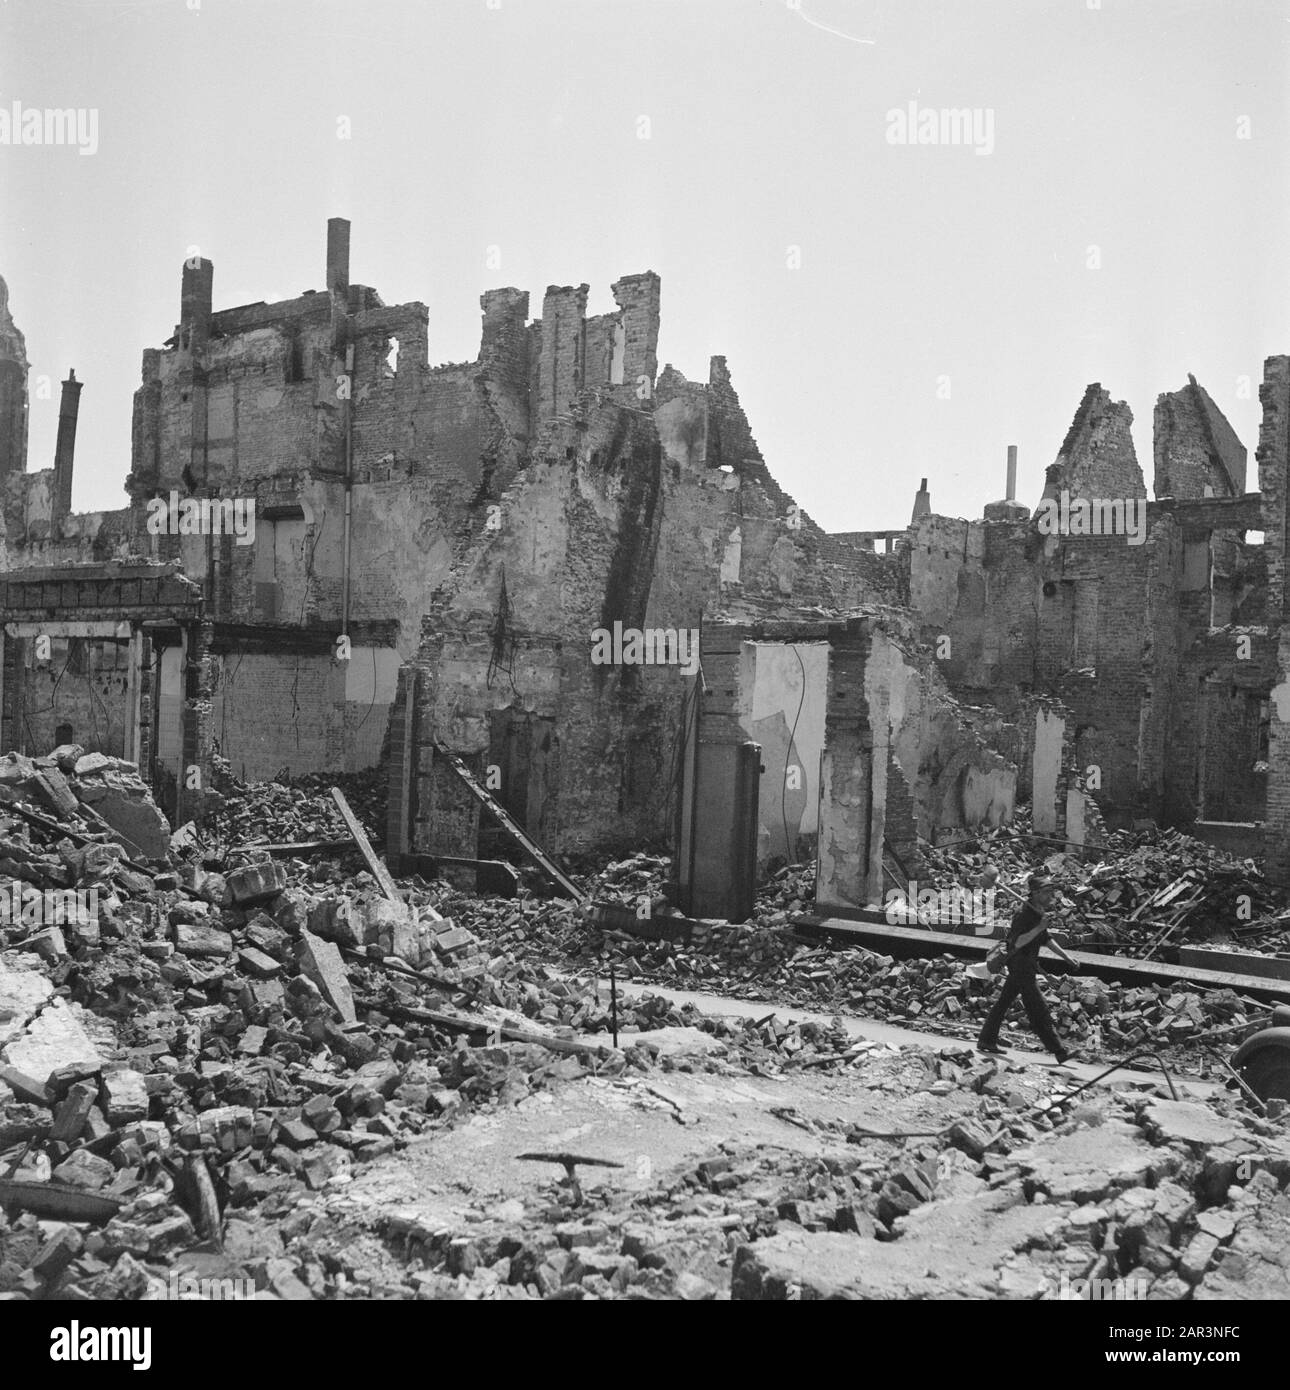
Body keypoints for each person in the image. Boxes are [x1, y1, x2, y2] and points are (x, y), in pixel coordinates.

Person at [977, 871, 1078, 1062]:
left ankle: (986, 1040)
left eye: (1051, 892)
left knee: (1004, 1003)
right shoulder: (1024, 914)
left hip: (1026, 965)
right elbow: (1017, 941)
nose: (1050, 896)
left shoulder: (1037, 913)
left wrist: (1066, 957)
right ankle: (1059, 1051)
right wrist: (1039, 927)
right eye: (1047, 892)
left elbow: (1046, 939)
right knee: (1038, 1009)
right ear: (1036, 893)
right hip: (1021, 965)